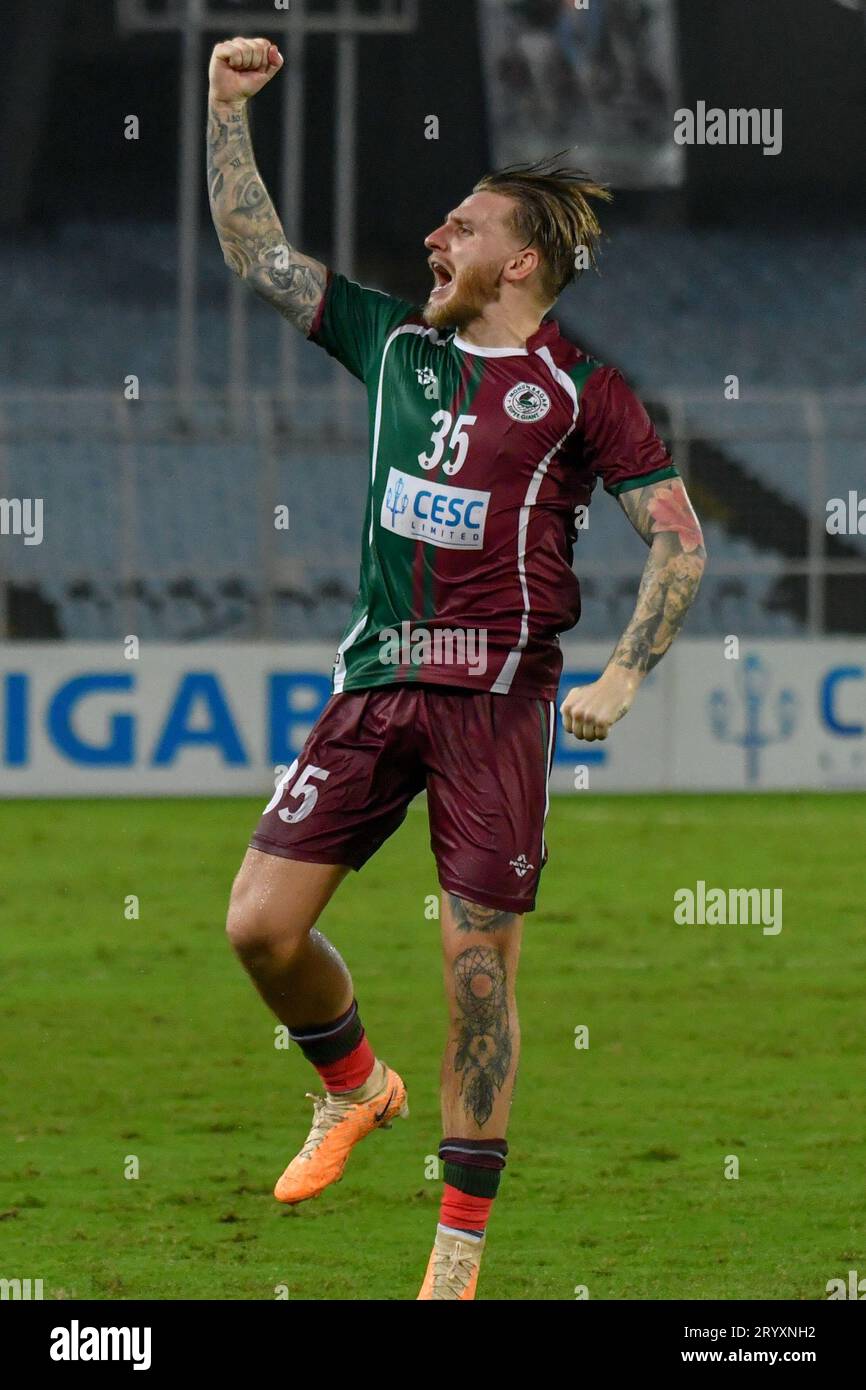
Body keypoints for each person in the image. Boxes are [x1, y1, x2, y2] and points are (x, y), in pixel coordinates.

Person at [206, 35, 706, 1301]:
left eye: (459, 225)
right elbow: (255, 254)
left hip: (497, 707)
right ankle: (350, 1086)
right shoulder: (389, 344)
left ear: (517, 260)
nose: (433, 236)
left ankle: (454, 1260)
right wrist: (222, 109)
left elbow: (677, 539)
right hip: (375, 686)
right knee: (259, 929)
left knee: (475, 974)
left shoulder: (583, 392)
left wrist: (623, 679)